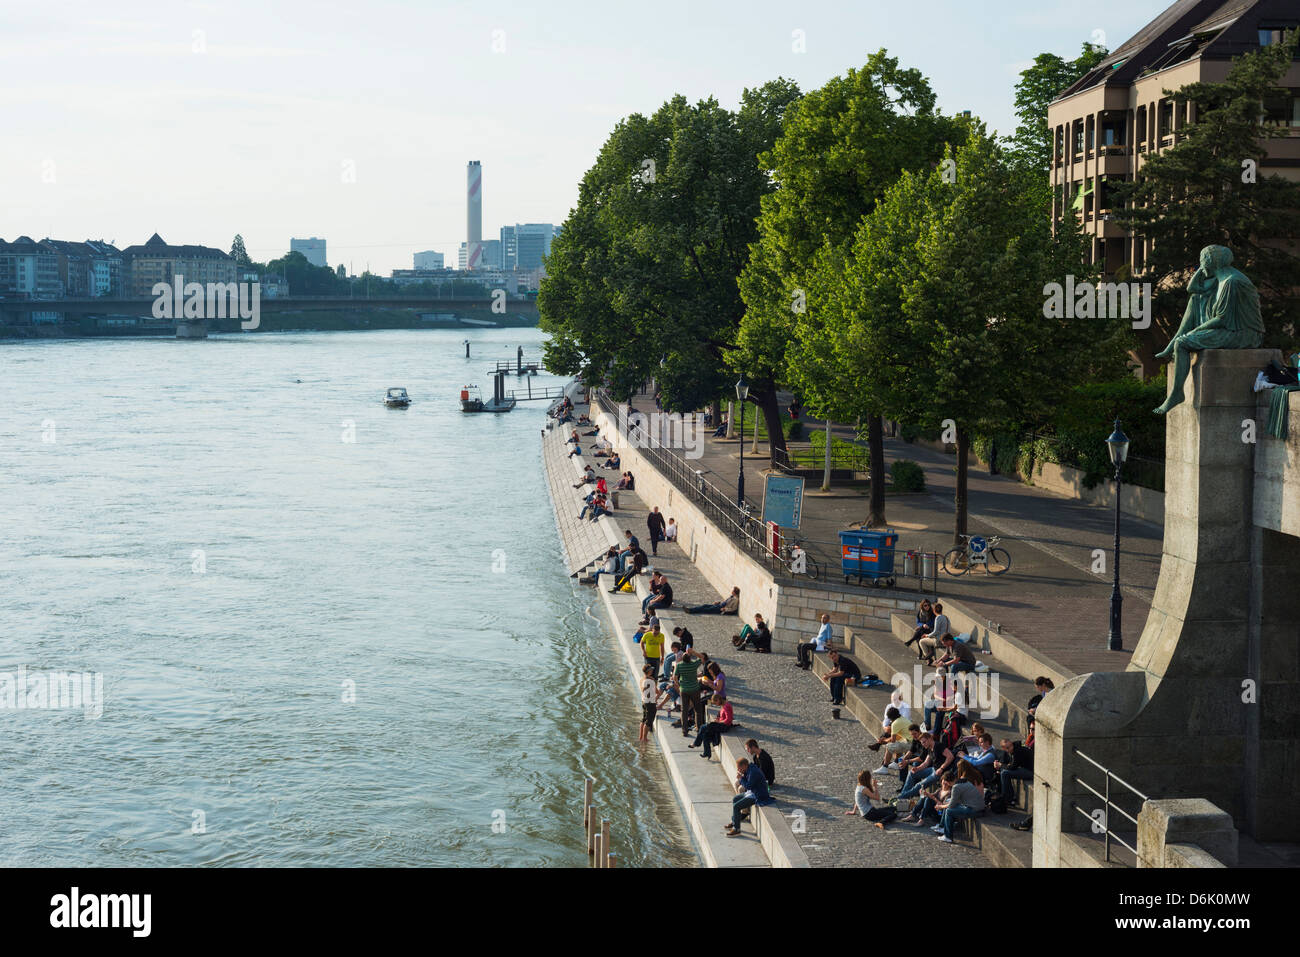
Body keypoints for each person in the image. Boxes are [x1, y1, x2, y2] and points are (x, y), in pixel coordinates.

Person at [724, 757, 773, 837]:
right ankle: (734, 822)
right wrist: (742, 777)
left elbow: (748, 786)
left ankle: (737, 829)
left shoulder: (753, 772)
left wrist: (741, 778)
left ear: (744, 766)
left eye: (739, 768)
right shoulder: (749, 769)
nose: (738, 770)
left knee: (736, 806)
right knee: (735, 799)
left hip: (758, 794)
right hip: (753, 791)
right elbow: (747, 782)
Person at [936, 771, 984, 844]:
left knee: (949, 810)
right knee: (948, 806)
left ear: (948, 782)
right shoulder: (965, 781)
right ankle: (943, 828)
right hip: (979, 807)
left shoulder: (956, 787)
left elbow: (951, 805)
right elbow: (956, 802)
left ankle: (948, 836)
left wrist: (941, 806)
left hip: (974, 810)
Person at [689, 694, 734, 759]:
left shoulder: (726, 706)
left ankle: (696, 743)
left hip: (724, 726)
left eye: (715, 703)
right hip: (721, 724)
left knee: (703, 727)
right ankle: (707, 753)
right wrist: (717, 719)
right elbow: (721, 717)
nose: (716, 704)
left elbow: (728, 720)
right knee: (705, 734)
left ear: (718, 700)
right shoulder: (723, 705)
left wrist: (719, 722)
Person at [671, 648, 703, 736]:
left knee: (684, 710)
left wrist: (679, 685)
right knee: (697, 709)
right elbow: (702, 657)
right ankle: (698, 727)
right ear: (690, 658)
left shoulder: (679, 665)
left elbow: (675, 677)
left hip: (684, 690)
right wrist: (694, 652)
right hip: (694, 689)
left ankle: (684, 730)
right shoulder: (693, 664)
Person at [995, 737, 1034, 806]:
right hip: (1024, 769)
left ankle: (1007, 798)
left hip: (1031, 772)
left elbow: (1012, 767)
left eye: (1010, 746)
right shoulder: (1009, 751)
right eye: (1006, 748)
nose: (1009, 749)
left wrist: (1001, 766)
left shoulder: (1018, 750)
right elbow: (1008, 764)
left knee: (1004, 773)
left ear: (1012, 744)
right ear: (1003, 749)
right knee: (1003, 772)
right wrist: (999, 766)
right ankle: (1009, 796)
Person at [638, 665, 657, 743]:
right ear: (649, 671)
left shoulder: (642, 679)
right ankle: (645, 739)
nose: (652, 671)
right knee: (648, 721)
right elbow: (656, 691)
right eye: (651, 670)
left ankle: (641, 737)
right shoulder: (651, 681)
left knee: (643, 719)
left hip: (644, 701)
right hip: (650, 702)